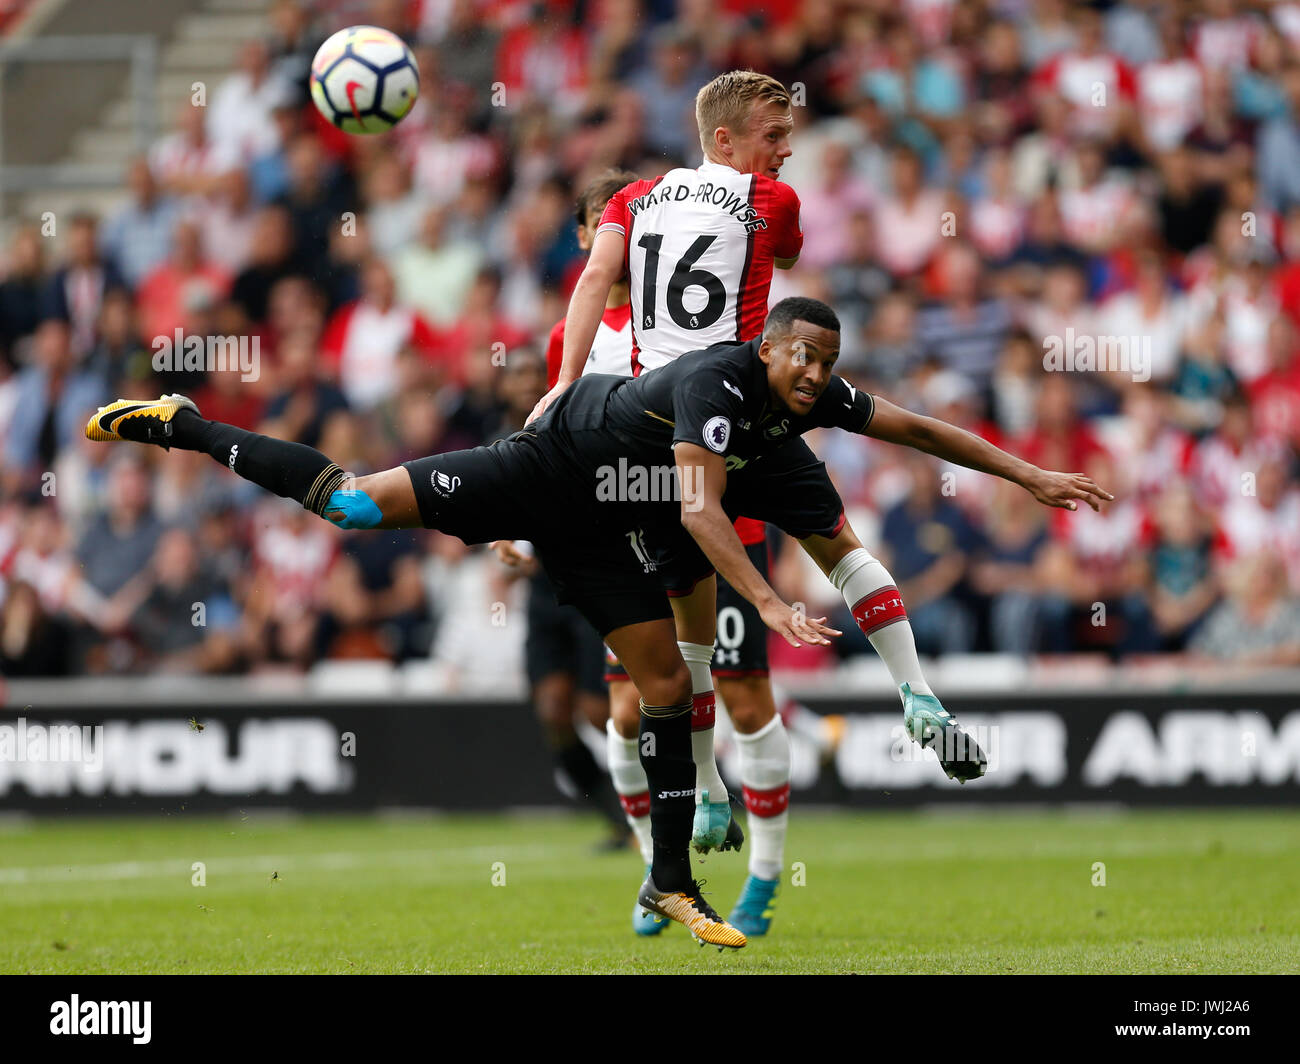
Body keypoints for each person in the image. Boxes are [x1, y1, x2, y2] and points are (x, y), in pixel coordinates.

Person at [86, 297, 1111, 950]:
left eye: (823, 366)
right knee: (352, 505)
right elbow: (705, 512)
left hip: (602, 524)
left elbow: (914, 426)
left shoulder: (802, 402)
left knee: (665, 689)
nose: (812, 377)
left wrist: (1027, 472)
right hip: (546, 470)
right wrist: (765, 601)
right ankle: (185, 423)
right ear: (765, 347)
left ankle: (671, 881)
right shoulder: (719, 377)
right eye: (800, 360)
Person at [528, 70, 808, 936]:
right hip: (631, 517)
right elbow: (565, 442)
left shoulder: (676, 289)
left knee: (742, 696)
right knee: (634, 702)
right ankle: (662, 867)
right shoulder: (579, 338)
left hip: (715, 502)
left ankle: (762, 874)